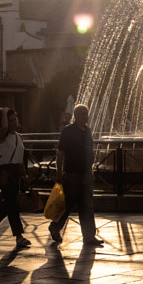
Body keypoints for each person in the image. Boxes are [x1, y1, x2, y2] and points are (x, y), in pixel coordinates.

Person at [52, 104, 103, 247]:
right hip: (72, 175)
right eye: (82, 113)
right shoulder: (68, 131)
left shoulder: (87, 131)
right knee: (68, 204)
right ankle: (54, 227)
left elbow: (89, 152)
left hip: (86, 174)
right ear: (75, 115)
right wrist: (59, 171)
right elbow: (60, 153)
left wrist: (90, 170)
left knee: (87, 206)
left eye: (86, 113)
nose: (85, 116)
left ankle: (89, 237)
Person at [0, 109, 30, 248]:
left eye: (15, 119)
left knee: (8, 203)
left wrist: (24, 175)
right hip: (6, 172)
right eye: (11, 120)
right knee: (12, 204)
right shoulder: (2, 135)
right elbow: (3, 127)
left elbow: (20, 159)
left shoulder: (18, 136)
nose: (14, 122)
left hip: (16, 171)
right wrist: (3, 112)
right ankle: (19, 236)